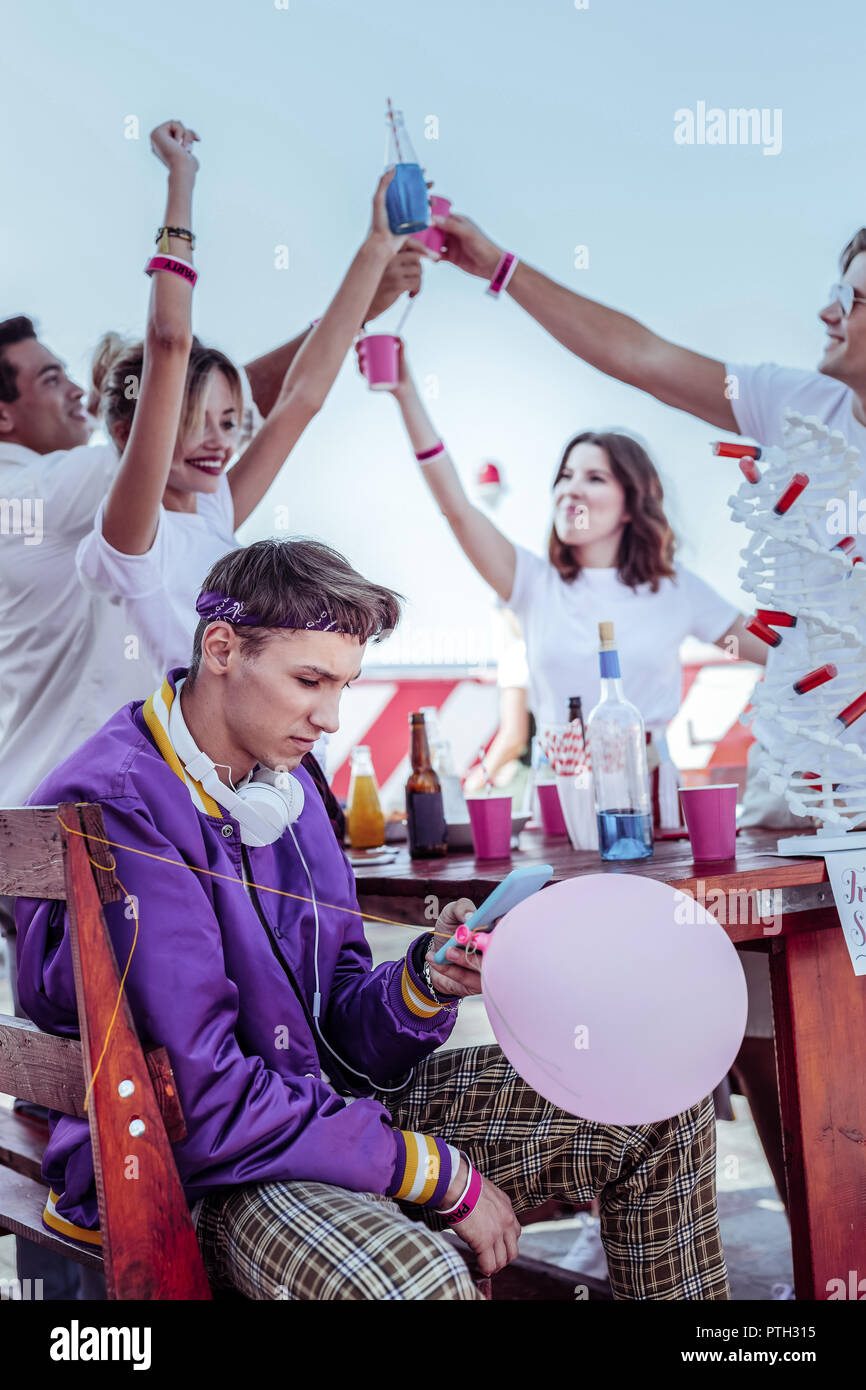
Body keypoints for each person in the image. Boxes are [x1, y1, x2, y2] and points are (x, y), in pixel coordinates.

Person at [15, 536, 730, 1301]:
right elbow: (203, 1100)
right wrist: (437, 1173)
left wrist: (425, 981)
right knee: (413, 1280)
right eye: (309, 679)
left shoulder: (285, 777)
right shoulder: (127, 804)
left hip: (315, 1113)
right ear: (221, 648)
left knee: (655, 1097)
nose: (329, 716)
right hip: (200, 1166)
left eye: (345, 685)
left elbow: (338, 1033)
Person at [371, 346, 791, 1235]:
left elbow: (791, 659)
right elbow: (450, 499)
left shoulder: (675, 588)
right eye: (564, 473)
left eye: (592, 475)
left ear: (631, 498)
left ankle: (799, 1223)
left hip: (665, 837)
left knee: (748, 1021)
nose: (571, 486)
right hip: (565, 837)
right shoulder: (533, 583)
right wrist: (406, 388)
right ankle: (618, 1193)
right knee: (599, 1023)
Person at [429, 208, 866, 825]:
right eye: (834, 294)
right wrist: (500, 267)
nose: (828, 314)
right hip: (794, 792)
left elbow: (750, 640)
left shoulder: (677, 592)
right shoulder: (794, 404)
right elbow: (640, 356)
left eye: (854, 300)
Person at [74, 119, 413, 694]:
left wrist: (377, 246)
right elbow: (169, 341)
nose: (219, 442)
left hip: (259, 768)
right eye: (193, 422)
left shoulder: (212, 511)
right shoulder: (132, 537)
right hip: (183, 774)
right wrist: (183, 179)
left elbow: (302, 398)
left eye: (229, 422)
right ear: (136, 431)